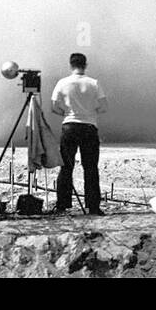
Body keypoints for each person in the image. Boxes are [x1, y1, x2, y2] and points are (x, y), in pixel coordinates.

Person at [50, 53, 108, 215]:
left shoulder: (63, 83)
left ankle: (62, 204)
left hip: (69, 126)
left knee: (66, 166)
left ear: (70, 65)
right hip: (89, 126)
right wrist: (89, 112)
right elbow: (103, 107)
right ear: (85, 65)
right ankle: (93, 206)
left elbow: (54, 106)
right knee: (90, 167)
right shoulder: (93, 83)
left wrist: (68, 112)